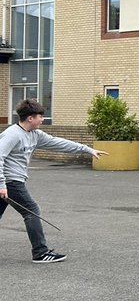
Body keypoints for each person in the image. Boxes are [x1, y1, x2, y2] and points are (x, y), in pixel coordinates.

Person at [0, 99, 107, 263]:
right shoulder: (12, 134)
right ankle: (41, 253)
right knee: (31, 210)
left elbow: (58, 143)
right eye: (40, 116)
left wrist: (87, 149)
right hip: (10, 181)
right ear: (30, 118)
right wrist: (1, 184)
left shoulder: (35, 134)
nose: (42, 119)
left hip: (12, 181)